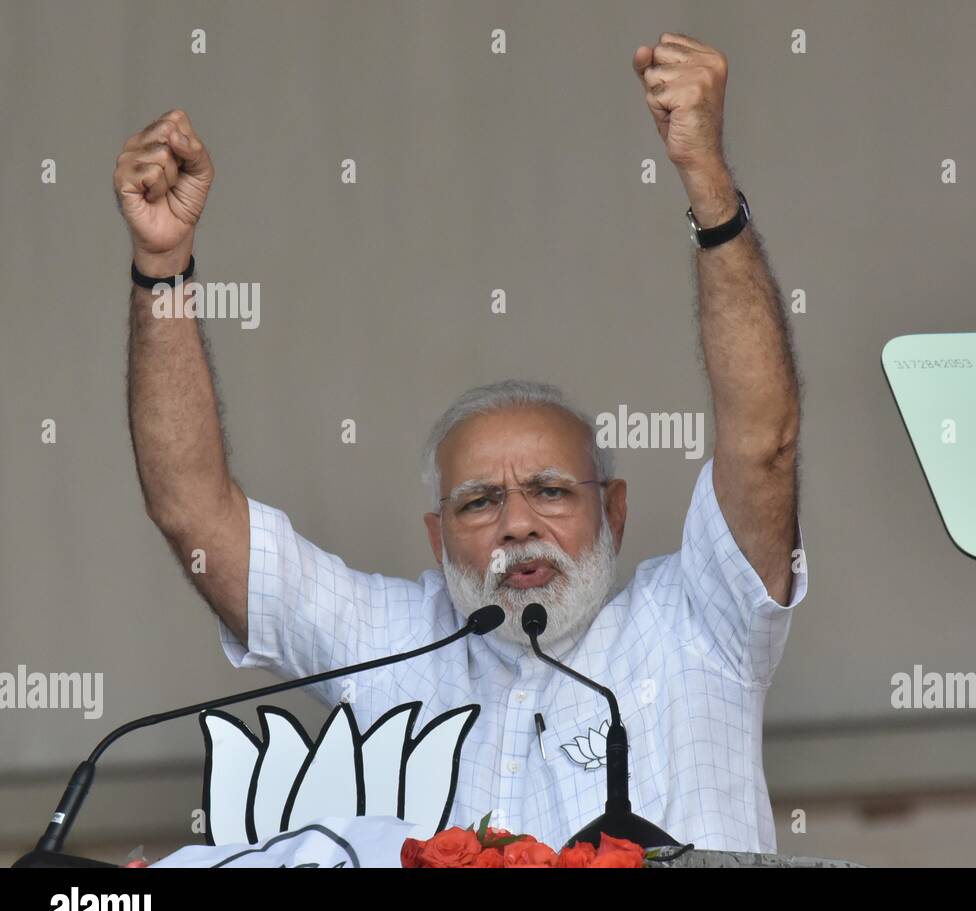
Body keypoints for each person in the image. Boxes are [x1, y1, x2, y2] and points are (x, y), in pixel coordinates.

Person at [114, 33, 807, 852]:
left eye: (550, 490)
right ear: (437, 536)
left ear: (614, 511)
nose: (517, 524)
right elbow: (192, 511)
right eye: (479, 501)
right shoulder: (401, 648)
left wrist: (709, 186)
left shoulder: (697, 624)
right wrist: (163, 266)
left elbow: (763, 441)